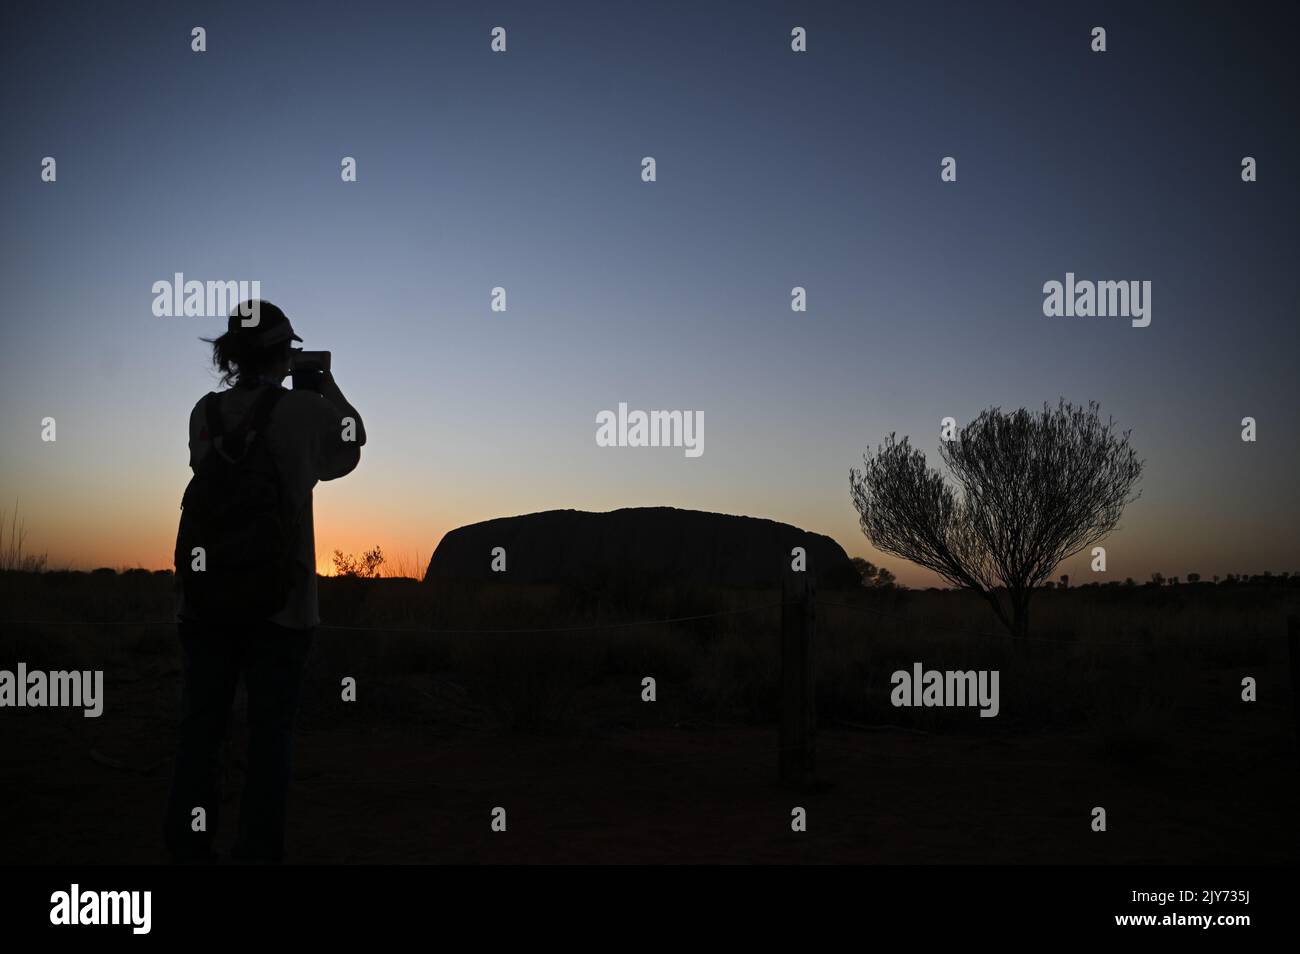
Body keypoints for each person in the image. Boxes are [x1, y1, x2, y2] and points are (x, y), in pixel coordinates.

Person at [163, 300, 365, 863]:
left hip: (204, 603)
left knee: (200, 734)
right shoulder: (304, 411)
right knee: (270, 740)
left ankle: (188, 848)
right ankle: (256, 853)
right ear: (283, 352)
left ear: (231, 353)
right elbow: (353, 442)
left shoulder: (203, 411)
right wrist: (324, 384)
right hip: (283, 604)